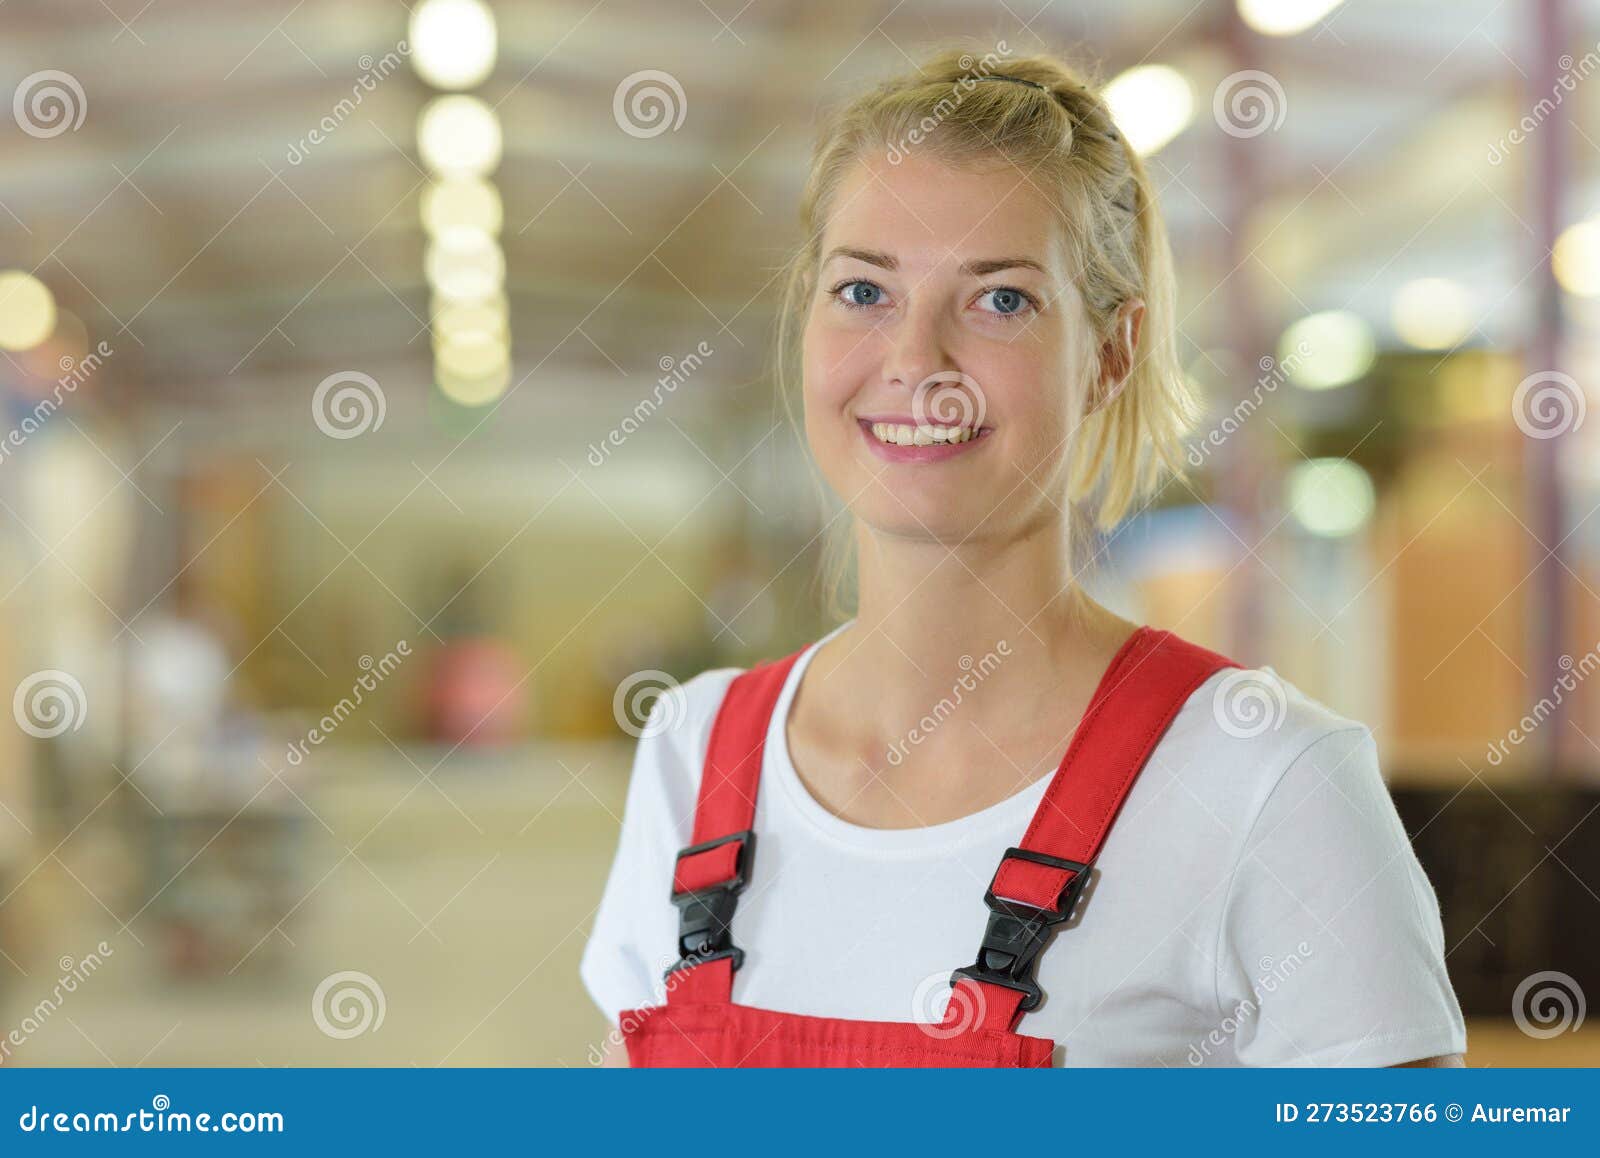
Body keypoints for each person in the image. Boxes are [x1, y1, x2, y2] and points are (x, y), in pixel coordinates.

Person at [580, 45, 1467, 1067]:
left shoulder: (1267, 780)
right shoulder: (696, 754)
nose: (915, 363)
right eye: (863, 291)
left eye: (1000, 300)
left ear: (1111, 354)